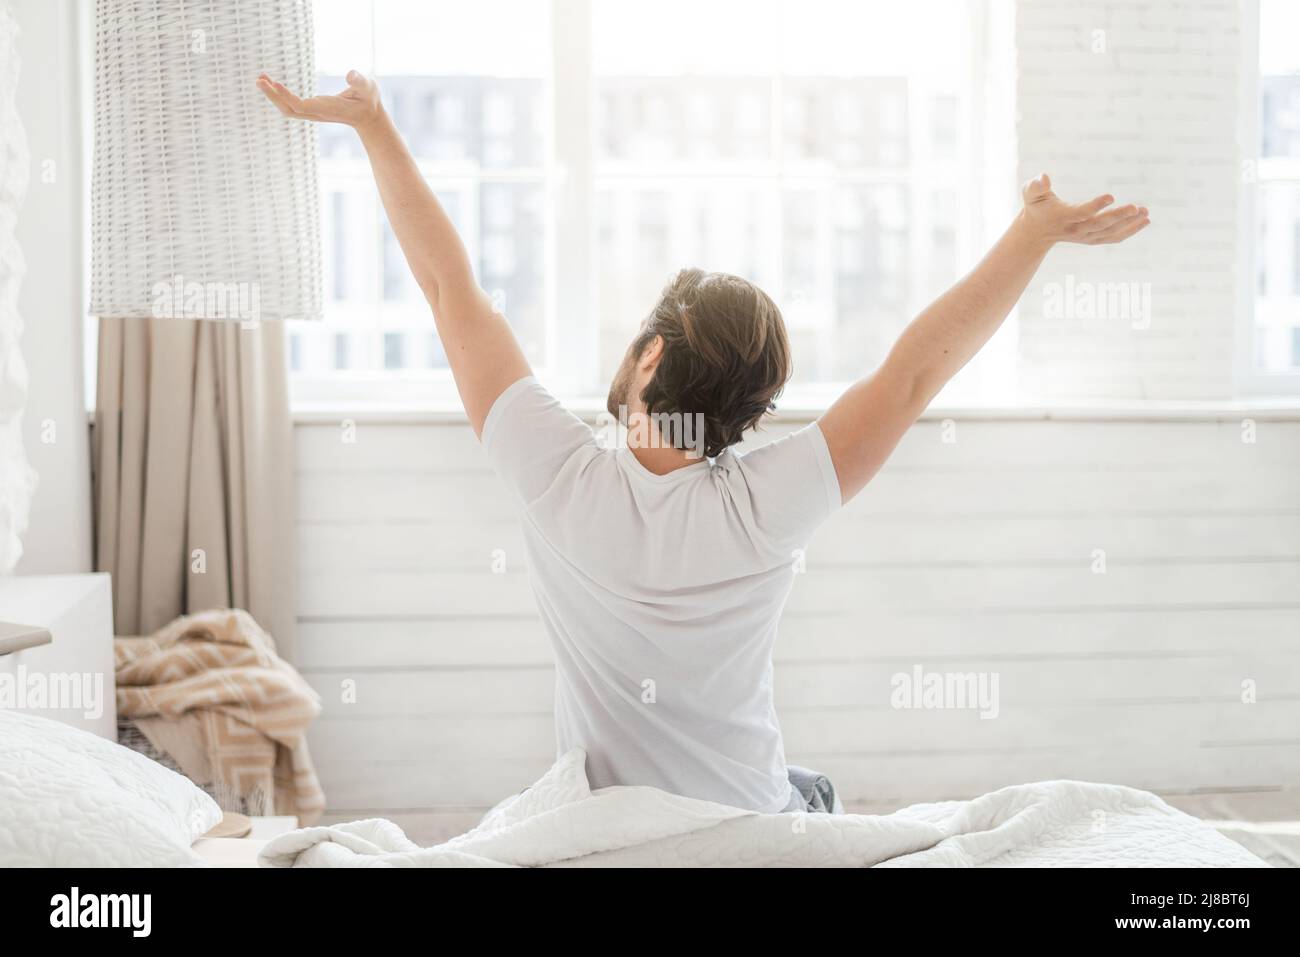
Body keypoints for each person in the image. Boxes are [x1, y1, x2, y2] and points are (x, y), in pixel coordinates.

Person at [258, 71, 1150, 814]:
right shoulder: (766, 505)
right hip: (752, 815)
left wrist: (372, 124)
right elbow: (915, 373)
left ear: (649, 352)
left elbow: (448, 287)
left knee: (807, 786)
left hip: (615, 823)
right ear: (748, 412)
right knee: (810, 790)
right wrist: (1033, 234)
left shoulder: (556, 477)